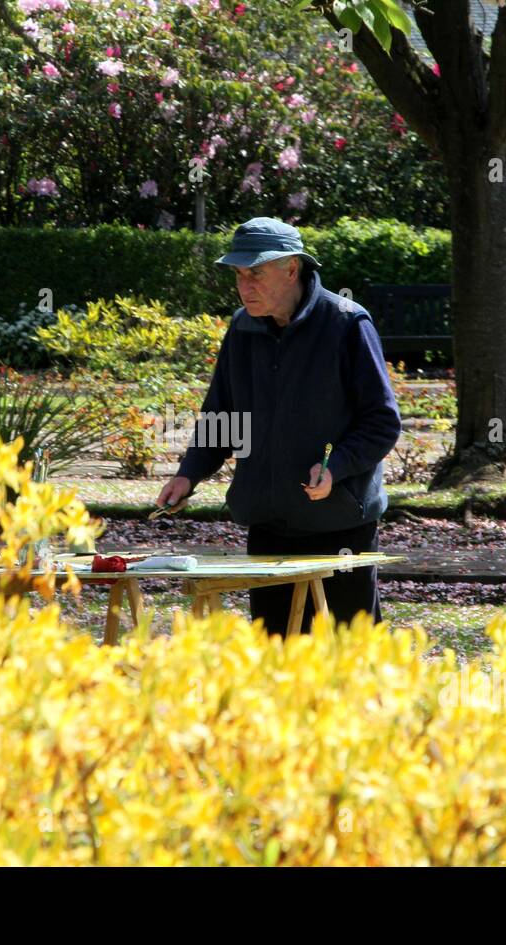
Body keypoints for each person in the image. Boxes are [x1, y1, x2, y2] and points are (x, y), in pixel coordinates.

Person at [155, 217, 402, 637]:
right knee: (276, 662)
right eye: (238, 275)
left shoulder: (347, 324)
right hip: (269, 527)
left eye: (255, 274)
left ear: (292, 269)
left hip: (339, 526)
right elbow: (224, 417)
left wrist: (336, 467)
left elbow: (381, 421)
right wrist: (189, 474)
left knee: (352, 663)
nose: (244, 286)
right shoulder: (242, 328)